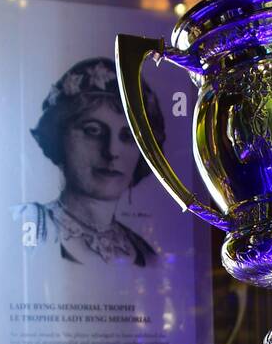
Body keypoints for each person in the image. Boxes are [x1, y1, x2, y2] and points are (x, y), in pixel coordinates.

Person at [18, 56, 163, 266]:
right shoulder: (33, 225)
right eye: (93, 131)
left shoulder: (144, 252)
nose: (112, 151)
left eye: (128, 136)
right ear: (59, 136)